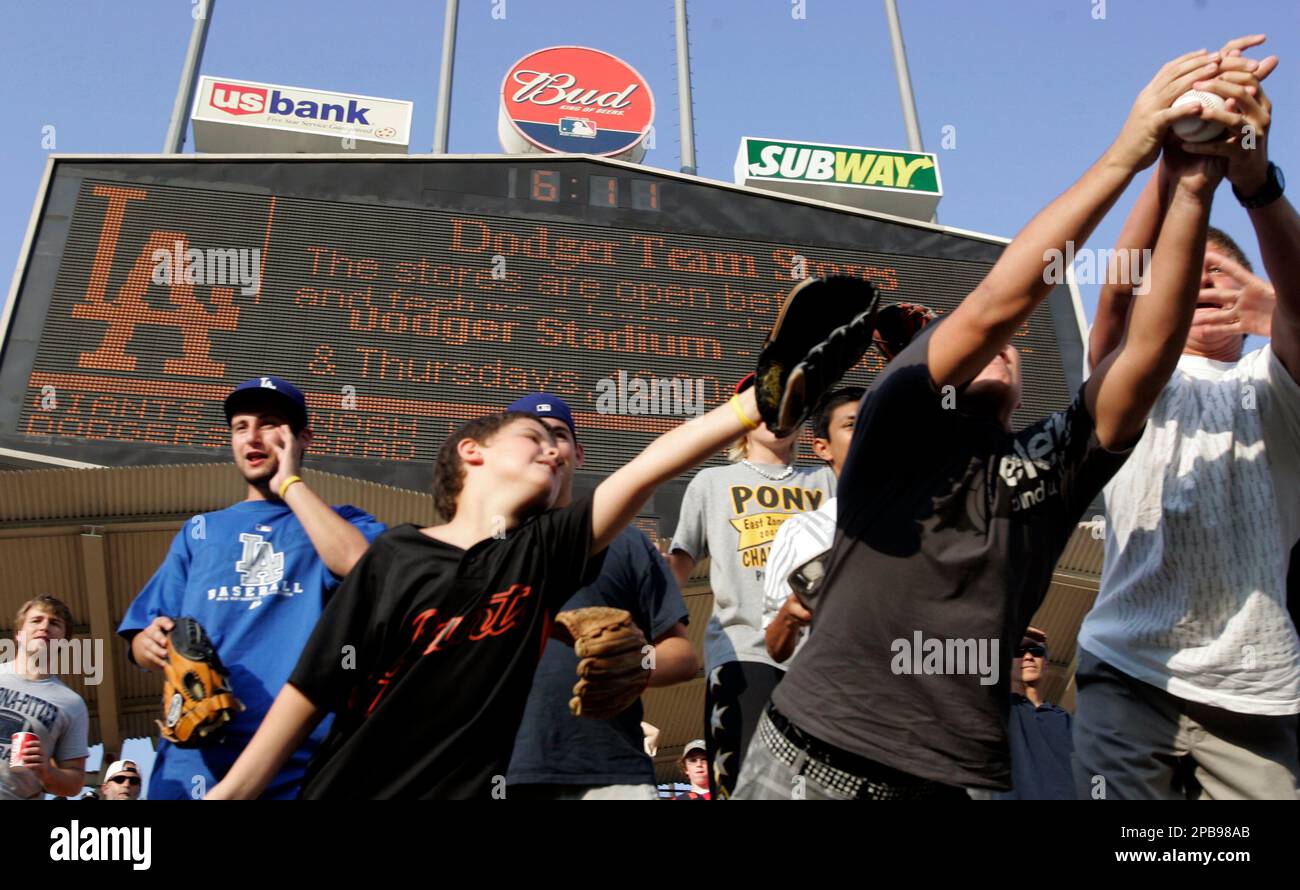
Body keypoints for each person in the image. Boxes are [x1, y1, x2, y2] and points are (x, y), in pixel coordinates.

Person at [733, 46, 1236, 800]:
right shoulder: (892, 421)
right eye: (959, 338)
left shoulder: (1050, 463)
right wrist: (1125, 155)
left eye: (1011, 349)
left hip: (956, 782)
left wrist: (1196, 181)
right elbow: (1005, 295)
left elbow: (1146, 357)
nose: (998, 345)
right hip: (808, 765)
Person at [205, 362, 797, 799]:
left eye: (561, 444)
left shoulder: (537, 558)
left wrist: (752, 405)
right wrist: (228, 796)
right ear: (472, 452)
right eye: (533, 438)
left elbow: (645, 468)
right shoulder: (395, 556)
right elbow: (307, 699)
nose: (554, 453)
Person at [1075, 38, 1300, 799]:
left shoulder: (1273, 388)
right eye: (1185, 276)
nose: (1199, 285)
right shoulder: (1135, 380)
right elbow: (1118, 293)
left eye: (1219, 274)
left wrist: (1257, 184)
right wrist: (1176, 163)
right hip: (1128, 669)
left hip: (1255, 685)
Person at [118, 376, 385, 799]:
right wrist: (148, 645)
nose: (253, 437)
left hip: (302, 758)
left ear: (303, 439)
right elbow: (141, 635)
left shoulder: (343, 522)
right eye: (241, 427)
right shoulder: (200, 531)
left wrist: (290, 484)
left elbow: (357, 562)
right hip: (195, 754)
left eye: (270, 423)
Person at [504, 394, 699, 801]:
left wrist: (635, 663)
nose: (547, 447)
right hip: (495, 771)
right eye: (529, 438)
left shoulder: (627, 544)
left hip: (611, 772)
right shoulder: (475, 551)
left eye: (558, 435)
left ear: (578, 453)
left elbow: (681, 655)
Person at [668, 374, 836, 798]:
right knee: (748, 785)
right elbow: (680, 562)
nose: (776, 414)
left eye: (788, 405)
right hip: (743, 650)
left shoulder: (827, 482)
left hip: (821, 659)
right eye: (765, 403)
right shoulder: (711, 483)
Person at [763, 387, 863, 664]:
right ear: (822, 448)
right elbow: (776, 648)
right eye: (853, 424)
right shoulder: (801, 533)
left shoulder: (928, 519)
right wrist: (790, 614)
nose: (870, 429)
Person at [0, 595, 89, 800]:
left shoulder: (72, 704)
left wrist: (47, 772)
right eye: (36, 620)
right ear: (19, 634)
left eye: (55, 623)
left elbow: (75, 783)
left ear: (63, 642)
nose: (45, 627)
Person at [989, 628, 1075, 800]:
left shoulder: (1068, 722)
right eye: (1018, 651)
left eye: (1036, 650)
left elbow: (1098, 772)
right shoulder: (995, 710)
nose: (1028, 656)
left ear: (1046, 664)